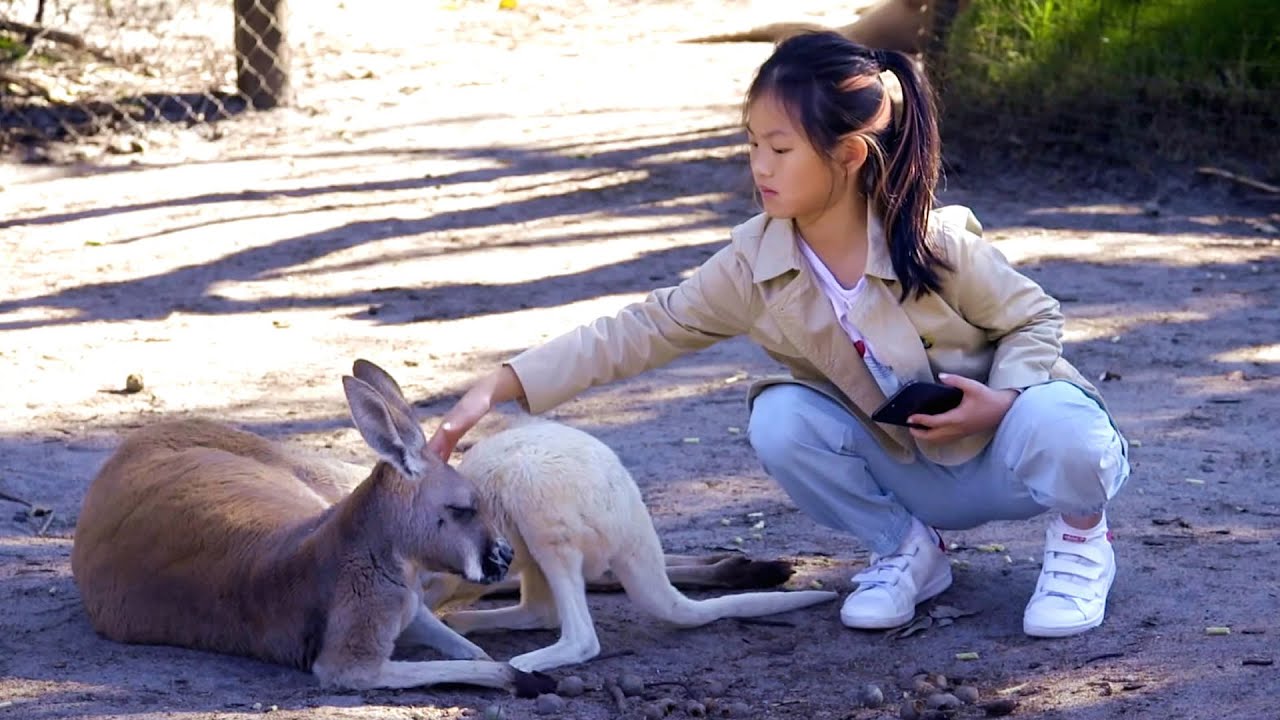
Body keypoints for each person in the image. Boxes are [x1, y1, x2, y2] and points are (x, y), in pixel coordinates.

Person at [427, 31, 1129, 638]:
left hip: (1005, 456)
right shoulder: (754, 263)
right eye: (753, 143)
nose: (759, 165)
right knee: (780, 415)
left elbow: (1037, 317)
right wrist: (504, 382)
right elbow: (644, 327)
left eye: (781, 147)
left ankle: (1079, 542)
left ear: (850, 156)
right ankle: (907, 551)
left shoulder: (936, 244)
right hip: (911, 471)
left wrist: (1001, 401)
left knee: (1067, 422)